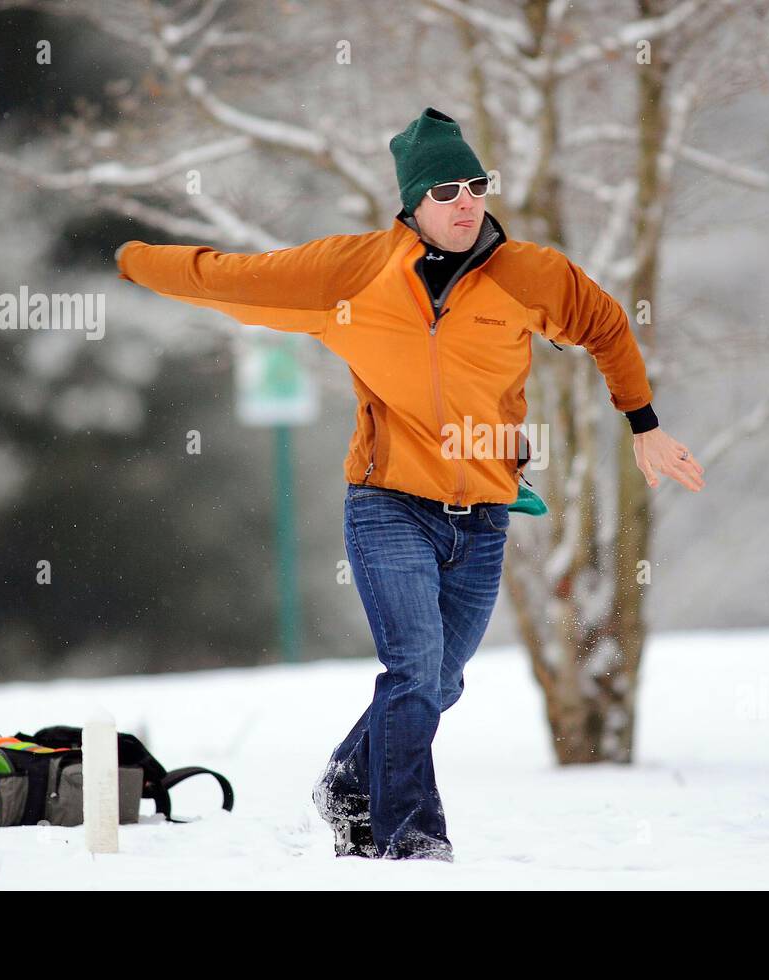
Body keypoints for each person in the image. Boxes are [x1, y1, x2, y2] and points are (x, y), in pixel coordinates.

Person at [115, 106, 704, 861]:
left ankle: (347, 782)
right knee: (416, 670)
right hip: (388, 501)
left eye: (476, 185)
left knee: (438, 684)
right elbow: (230, 280)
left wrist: (644, 423)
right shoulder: (351, 274)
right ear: (413, 204)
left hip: (484, 516)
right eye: (446, 190)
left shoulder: (530, 275)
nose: (466, 202)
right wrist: (134, 260)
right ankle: (408, 842)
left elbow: (607, 325)